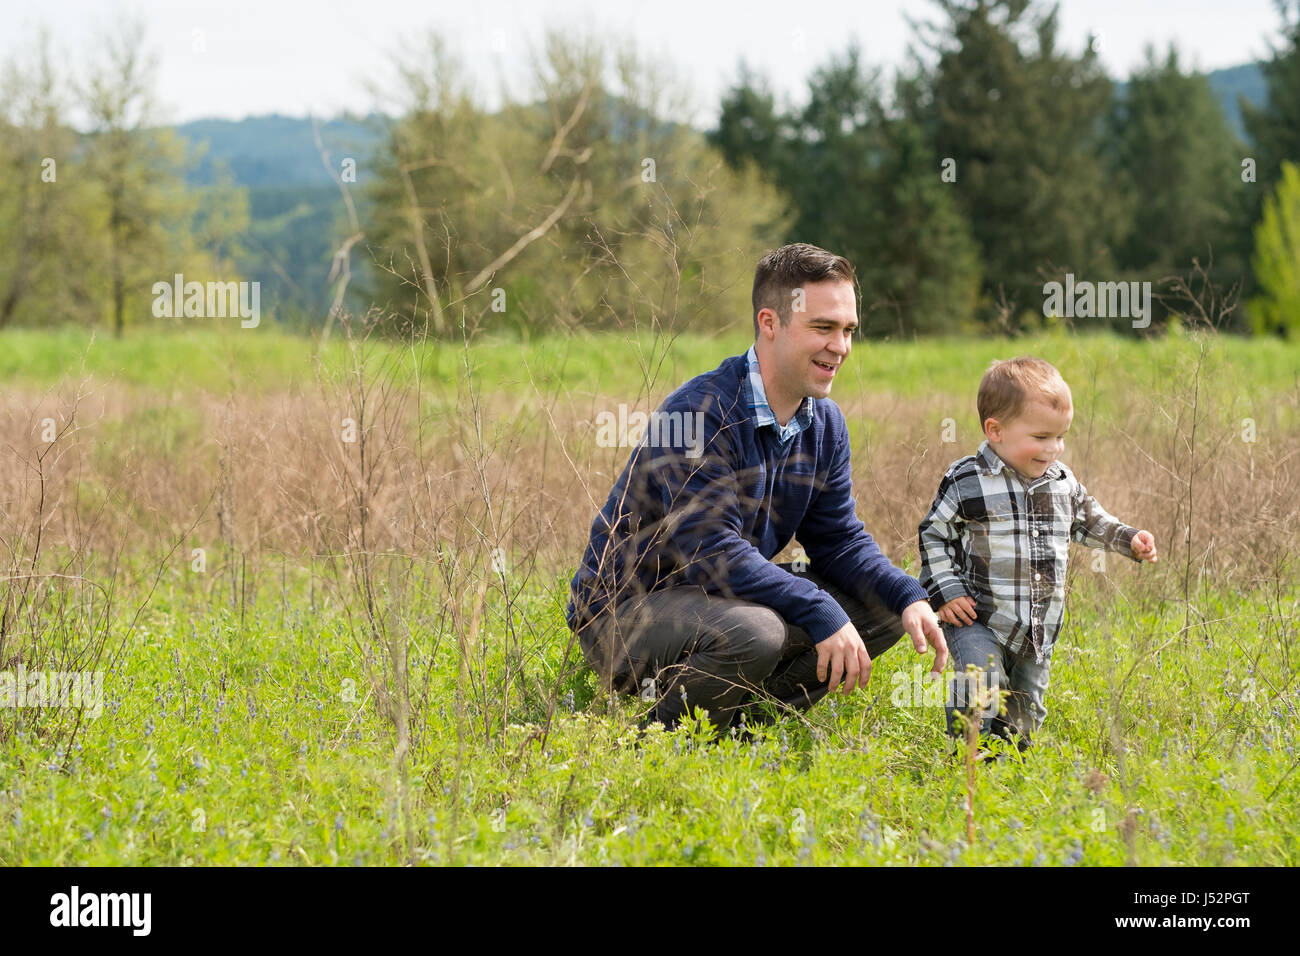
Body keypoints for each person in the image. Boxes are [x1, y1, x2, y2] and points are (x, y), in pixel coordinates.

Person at [565, 243, 948, 738]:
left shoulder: (824, 424)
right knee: (757, 632)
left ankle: (746, 727)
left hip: (716, 601)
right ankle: (658, 738)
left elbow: (838, 541)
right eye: (823, 328)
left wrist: (908, 595)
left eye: (848, 330)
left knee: (882, 606)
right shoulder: (699, 414)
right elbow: (712, 555)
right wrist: (818, 609)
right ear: (770, 323)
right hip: (625, 612)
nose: (841, 346)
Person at [917, 356, 1158, 752]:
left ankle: (1009, 765)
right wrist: (945, 590)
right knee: (981, 684)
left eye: (1061, 437)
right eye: (1042, 437)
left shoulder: (1061, 482)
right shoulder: (967, 479)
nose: (1054, 449)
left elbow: (1089, 521)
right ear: (995, 430)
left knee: (1024, 716)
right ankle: (966, 757)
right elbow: (934, 534)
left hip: (1037, 624)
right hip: (977, 614)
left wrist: (1128, 539)